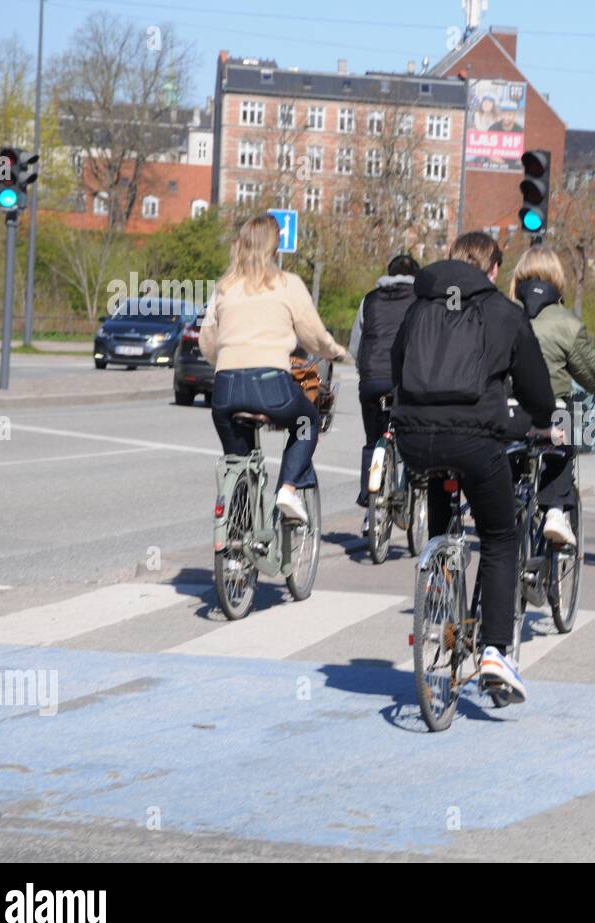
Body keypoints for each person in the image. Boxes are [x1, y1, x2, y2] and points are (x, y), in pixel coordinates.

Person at [391, 231, 555, 704]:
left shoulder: (417, 307)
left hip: (415, 439)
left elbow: (398, 363)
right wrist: (540, 420)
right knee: (501, 537)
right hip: (476, 440)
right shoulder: (504, 313)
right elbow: (537, 389)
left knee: (440, 473)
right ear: (494, 271)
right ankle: (494, 652)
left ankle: (440, 571)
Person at [200, 214, 349, 525]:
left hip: (225, 391)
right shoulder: (287, 284)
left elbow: (207, 341)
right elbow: (313, 334)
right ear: (274, 246)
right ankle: (289, 488)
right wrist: (334, 352)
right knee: (308, 420)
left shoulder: (224, 287)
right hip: (271, 388)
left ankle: (236, 547)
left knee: (236, 461)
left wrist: (228, 358)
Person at [509, 245, 595, 550]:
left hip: (509, 411)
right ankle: (555, 510)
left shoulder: (504, 312)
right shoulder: (567, 323)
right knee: (561, 445)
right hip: (551, 413)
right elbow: (591, 374)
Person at [348, 253, 418, 526]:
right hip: (406, 381)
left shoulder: (369, 299)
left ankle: (370, 503)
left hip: (371, 380)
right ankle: (405, 496)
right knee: (413, 437)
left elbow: (356, 345)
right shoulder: (420, 300)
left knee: (372, 439)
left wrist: (365, 372)